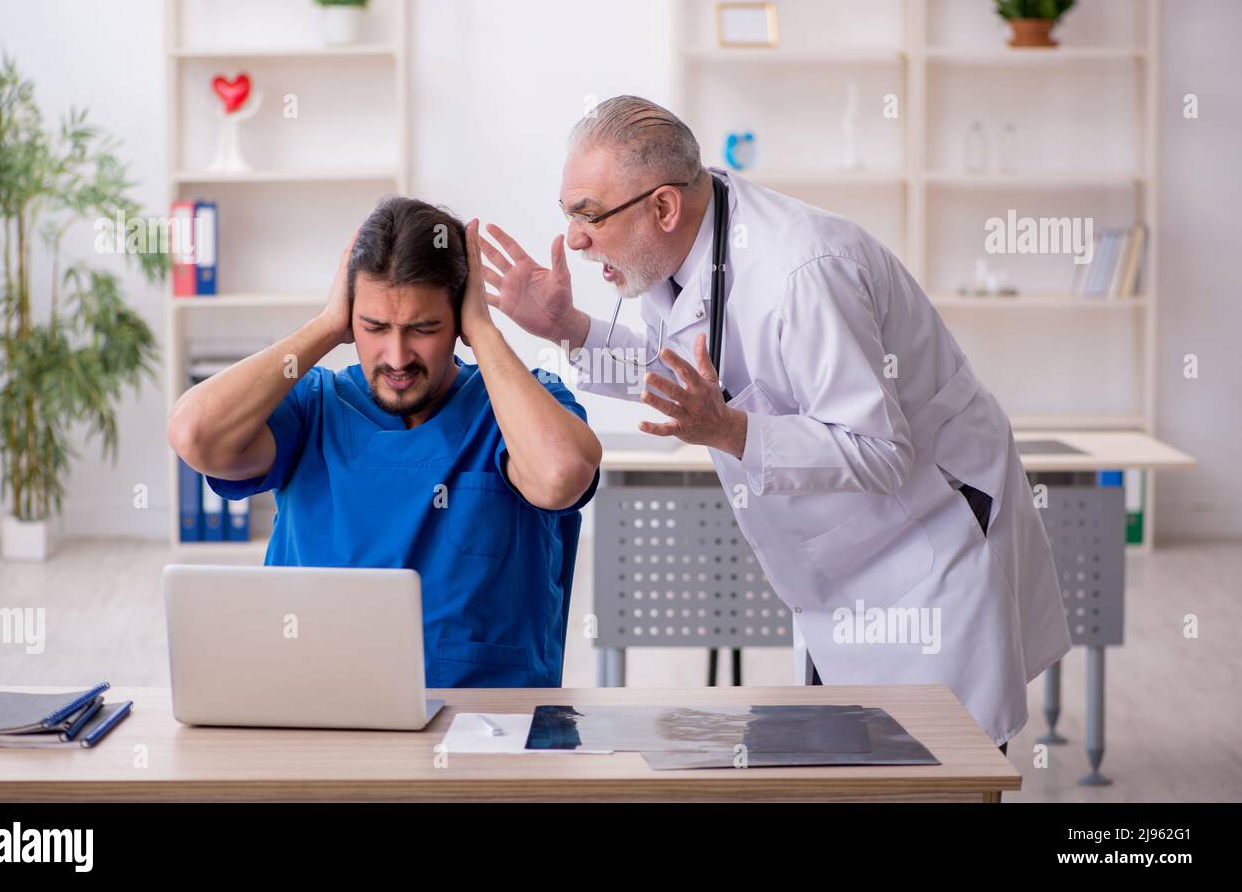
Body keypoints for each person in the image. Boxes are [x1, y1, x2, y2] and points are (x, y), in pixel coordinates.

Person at [481, 95, 1071, 752]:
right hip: (839, 573)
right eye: (568, 215)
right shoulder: (678, 259)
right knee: (852, 774)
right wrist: (568, 328)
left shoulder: (803, 271)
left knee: (941, 775)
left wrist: (731, 430)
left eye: (589, 217)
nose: (574, 241)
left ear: (664, 207)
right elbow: (689, 377)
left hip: (929, 557)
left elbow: (879, 450)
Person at [166, 197, 601, 687]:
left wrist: (483, 330)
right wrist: (326, 327)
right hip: (319, 709)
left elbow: (561, 474)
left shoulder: (519, 403)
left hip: (486, 728)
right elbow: (194, 434)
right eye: (374, 327)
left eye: (423, 328)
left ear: (457, 317)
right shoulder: (313, 406)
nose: (396, 357)